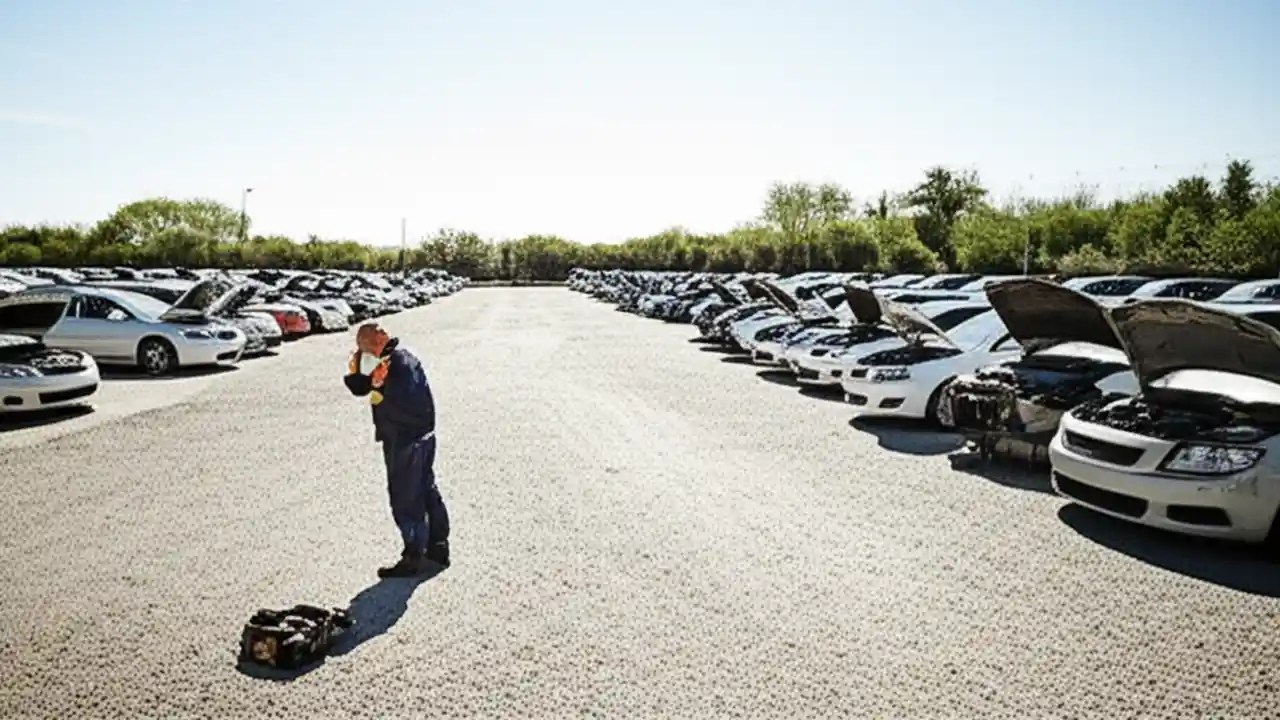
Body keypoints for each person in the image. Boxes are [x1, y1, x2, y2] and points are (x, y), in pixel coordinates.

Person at [342, 322, 450, 577]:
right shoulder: (400, 358)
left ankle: (413, 556)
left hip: (406, 439)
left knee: (405, 497)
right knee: (426, 490)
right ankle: (438, 547)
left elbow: (379, 390)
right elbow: (360, 386)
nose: (361, 353)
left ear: (375, 342)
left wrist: (376, 384)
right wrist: (362, 376)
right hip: (421, 436)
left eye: (363, 347)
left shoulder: (393, 365)